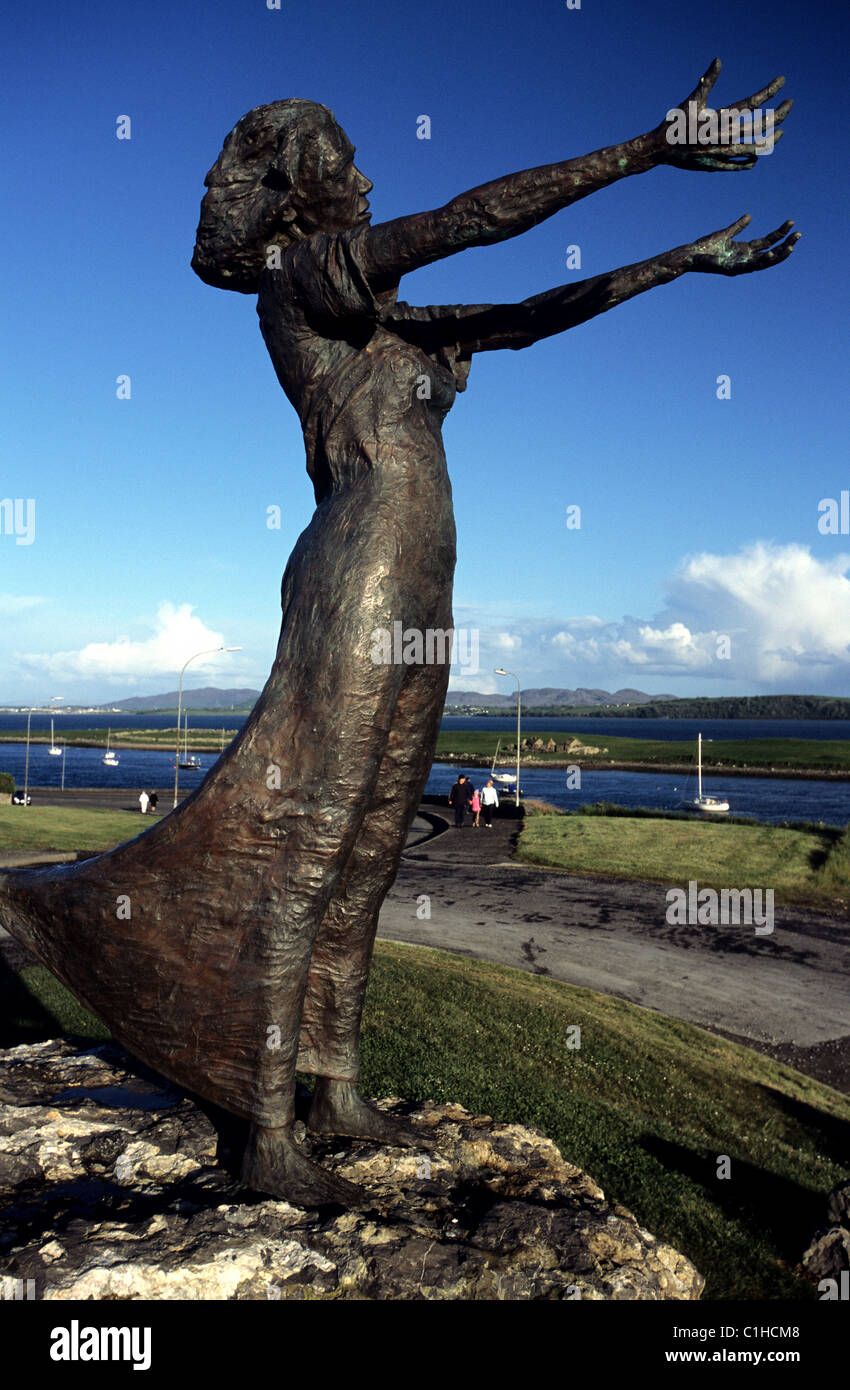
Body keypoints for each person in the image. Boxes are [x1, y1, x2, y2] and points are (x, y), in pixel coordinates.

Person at [0, 66, 798, 1209]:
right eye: (337, 159)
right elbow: (469, 221)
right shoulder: (302, 281)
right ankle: (267, 1124)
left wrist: (677, 261)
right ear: (290, 194)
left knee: (372, 849)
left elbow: (528, 313)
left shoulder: (381, 317)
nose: (363, 174)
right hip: (357, 573)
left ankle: (334, 1078)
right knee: (312, 839)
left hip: (419, 582)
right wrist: (643, 151)